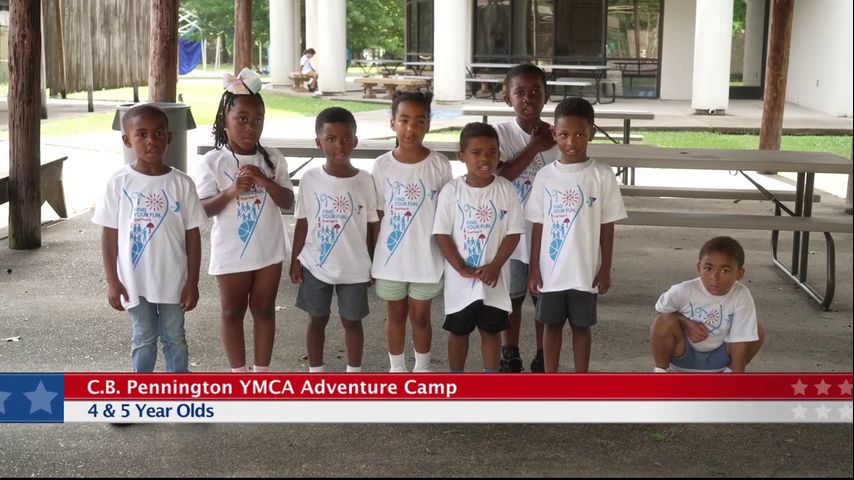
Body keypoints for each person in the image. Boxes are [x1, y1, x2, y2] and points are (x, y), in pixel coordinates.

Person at [195, 68, 295, 373]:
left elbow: (289, 203)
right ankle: (238, 375)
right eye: (242, 119)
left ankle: (260, 374)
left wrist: (265, 181)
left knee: (264, 309)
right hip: (231, 250)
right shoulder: (212, 162)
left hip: (268, 250)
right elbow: (201, 210)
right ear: (224, 121)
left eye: (257, 120)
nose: (250, 127)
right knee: (232, 310)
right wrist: (229, 192)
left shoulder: (272, 158)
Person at [93, 104, 205, 373]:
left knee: (174, 337)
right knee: (143, 337)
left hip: (173, 280)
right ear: (126, 140)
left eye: (158, 133)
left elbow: (193, 236)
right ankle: (137, 393)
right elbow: (109, 235)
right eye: (141, 134)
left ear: (169, 138)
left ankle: (180, 393)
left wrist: (192, 281)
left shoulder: (182, 183)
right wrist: (112, 281)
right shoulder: (118, 182)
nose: (150, 140)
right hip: (134, 281)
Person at [525, 97, 626, 373]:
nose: (571, 142)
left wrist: (605, 268)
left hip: (585, 271)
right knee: (552, 325)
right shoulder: (545, 176)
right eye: (564, 135)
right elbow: (539, 225)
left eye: (580, 134)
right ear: (554, 134)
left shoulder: (602, 175)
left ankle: (581, 382)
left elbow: (607, 225)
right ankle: (551, 381)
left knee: (582, 327)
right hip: (551, 272)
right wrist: (534, 268)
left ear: (592, 133)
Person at [290, 107, 379, 373]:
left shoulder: (366, 180)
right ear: (319, 143)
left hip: (355, 267)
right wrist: (295, 260)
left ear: (355, 140)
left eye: (346, 137)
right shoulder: (310, 178)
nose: (339, 144)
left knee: (352, 321)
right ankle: (315, 372)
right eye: (330, 138)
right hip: (315, 264)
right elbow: (303, 221)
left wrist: (374, 262)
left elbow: (373, 224)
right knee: (317, 318)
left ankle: (354, 374)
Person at [432, 122, 524, 372]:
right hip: (460, 283)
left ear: (499, 154)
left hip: (493, 280)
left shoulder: (506, 190)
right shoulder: (451, 192)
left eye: (492, 152)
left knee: (490, 331)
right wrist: (460, 267)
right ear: (462, 156)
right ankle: (457, 381)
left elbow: (514, 233)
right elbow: (442, 234)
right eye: (476, 152)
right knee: (458, 332)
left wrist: (495, 266)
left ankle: (489, 383)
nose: (485, 158)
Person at [371, 91, 453, 373]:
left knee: (420, 316)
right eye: (404, 120)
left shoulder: (439, 164)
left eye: (419, 121)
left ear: (429, 124)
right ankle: (397, 369)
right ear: (392, 123)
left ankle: (422, 368)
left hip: (427, 258)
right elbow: (378, 214)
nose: (411, 128)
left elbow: (446, 215)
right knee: (395, 314)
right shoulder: (382, 165)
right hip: (390, 259)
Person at [494, 63, 559, 373]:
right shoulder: (501, 134)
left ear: (546, 96)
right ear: (508, 99)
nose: (528, 98)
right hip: (511, 235)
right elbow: (500, 178)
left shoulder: (561, 135)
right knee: (512, 298)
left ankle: (543, 353)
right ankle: (510, 351)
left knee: (543, 301)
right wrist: (534, 146)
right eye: (520, 92)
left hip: (548, 237)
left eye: (536, 91)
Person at [650, 236, 766, 373]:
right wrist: (685, 322)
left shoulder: (741, 295)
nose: (714, 277)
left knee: (756, 329)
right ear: (699, 268)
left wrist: (737, 382)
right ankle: (661, 375)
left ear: (740, 273)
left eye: (725, 271)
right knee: (663, 321)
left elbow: (740, 341)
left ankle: (727, 377)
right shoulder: (683, 290)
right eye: (708, 268)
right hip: (683, 356)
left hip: (720, 360)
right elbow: (662, 312)